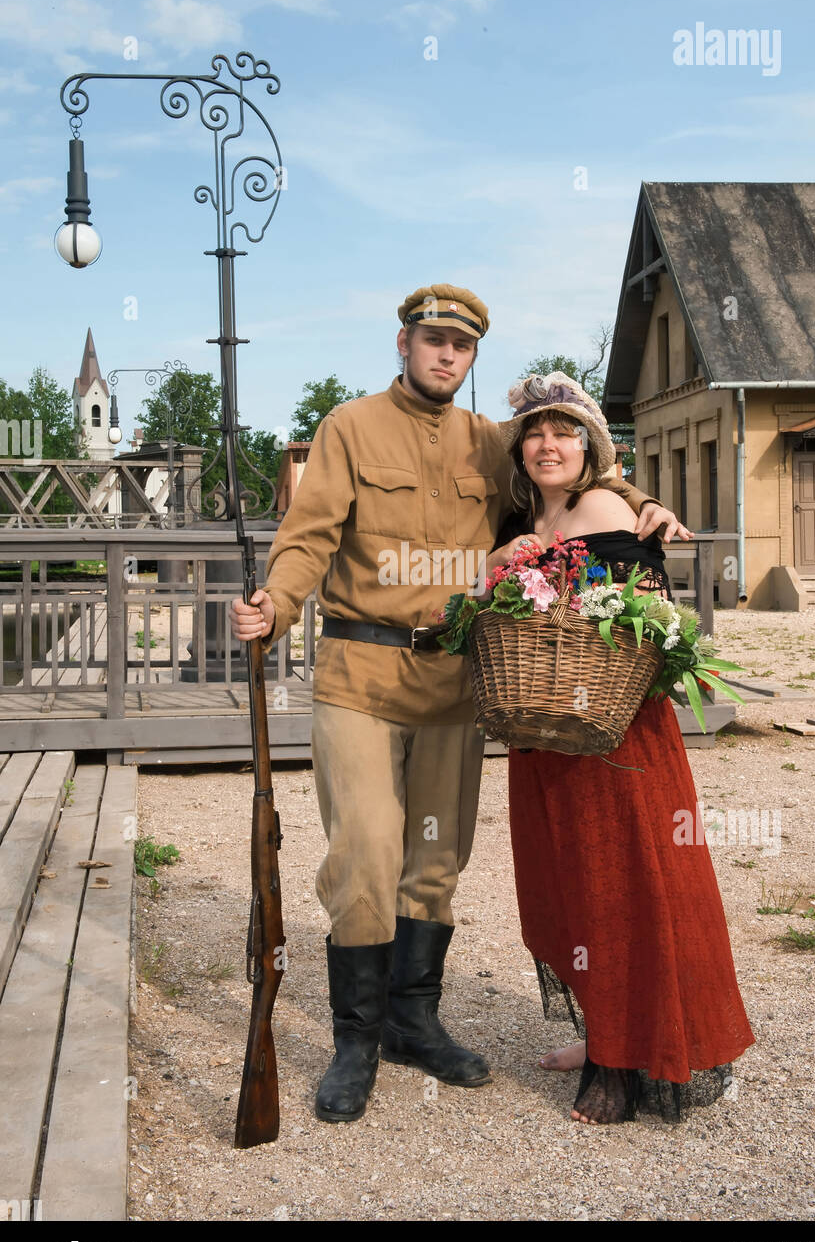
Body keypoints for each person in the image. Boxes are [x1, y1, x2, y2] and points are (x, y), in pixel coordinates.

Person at [230, 286, 689, 1125]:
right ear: (403, 342)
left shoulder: (493, 443)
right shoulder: (349, 427)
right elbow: (307, 536)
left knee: (435, 865)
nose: (447, 356)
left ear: (472, 357)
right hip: (360, 675)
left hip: (453, 684)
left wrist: (645, 508)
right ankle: (356, 1041)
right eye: (433, 340)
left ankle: (414, 1021)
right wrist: (277, 604)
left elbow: (570, 487)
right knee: (366, 852)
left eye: (462, 347)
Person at [490, 373, 755, 1124]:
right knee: (569, 879)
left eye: (564, 431)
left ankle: (625, 1057)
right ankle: (602, 1026)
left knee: (626, 877)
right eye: (536, 432)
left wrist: (638, 504)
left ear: (589, 446)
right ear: (520, 446)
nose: (548, 444)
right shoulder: (518, 517)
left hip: (613, 726)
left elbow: (644, 617)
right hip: (544, 729)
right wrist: (495, 571)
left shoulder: (604, 506)